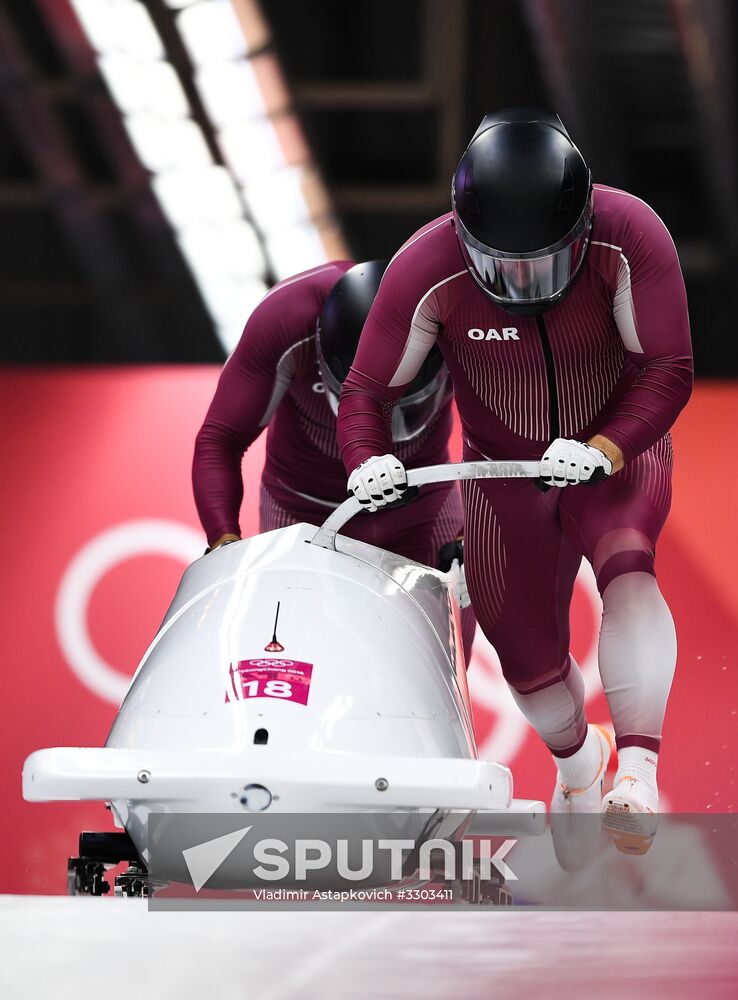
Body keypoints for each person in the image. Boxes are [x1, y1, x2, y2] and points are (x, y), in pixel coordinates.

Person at [337, 109, 693, 864]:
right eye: (502, 266)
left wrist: (605, 448)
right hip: (503, 476)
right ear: (464, 238)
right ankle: (580, 766)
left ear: (583, 231)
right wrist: (365, 459)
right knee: (526, 659)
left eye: (546, 263)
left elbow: (667, 368)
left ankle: (637, 773)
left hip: (612, 453)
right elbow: (366, 389)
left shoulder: (631, 235)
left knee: (627, 561)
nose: (524, 283)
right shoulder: (425, 268)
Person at [192, 259, 476, 659]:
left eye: (405, 409)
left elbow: (501, 432)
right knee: (301, 661)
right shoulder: (286, 321)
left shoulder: (452, 315)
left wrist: (470, 535)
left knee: (441, 657)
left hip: (421, 507)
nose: (387, 431)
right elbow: (221, 439)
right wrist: (224, 542)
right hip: (306, 514)